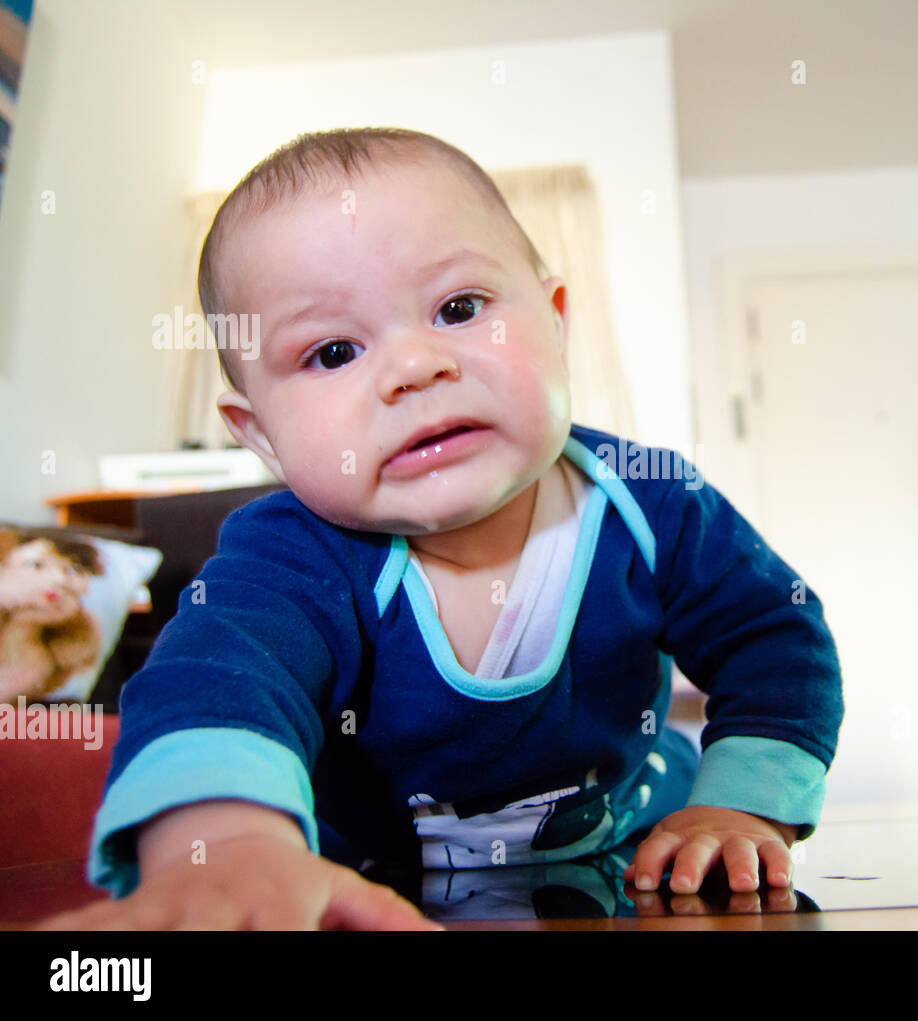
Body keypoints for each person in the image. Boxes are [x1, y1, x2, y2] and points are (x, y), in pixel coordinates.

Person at [39, 127, 843, 930]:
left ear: (556, 322)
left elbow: (772, 632)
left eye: (459, 308)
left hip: (626, 852)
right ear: (260, 435)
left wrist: (740, 809)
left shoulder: (651, 502)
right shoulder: (289, 556)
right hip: (368, 884)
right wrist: (233, 847)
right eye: (331, 352)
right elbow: (218, 680)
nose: (415, 367)